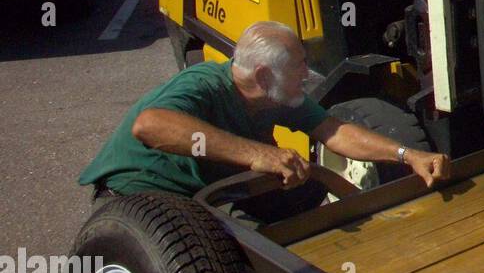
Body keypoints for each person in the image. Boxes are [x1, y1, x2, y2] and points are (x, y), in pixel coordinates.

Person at [79, 22, 448, 223]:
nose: (306, 74)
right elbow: (150, 125)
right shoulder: (203, 83)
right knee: (242, 252)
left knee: (304, 193)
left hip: (212, 191)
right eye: (298, 66)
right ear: (262, 74)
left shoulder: (278, 94)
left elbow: (334, 131)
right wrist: (259, 155)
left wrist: (407, 154)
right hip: (140, 197)